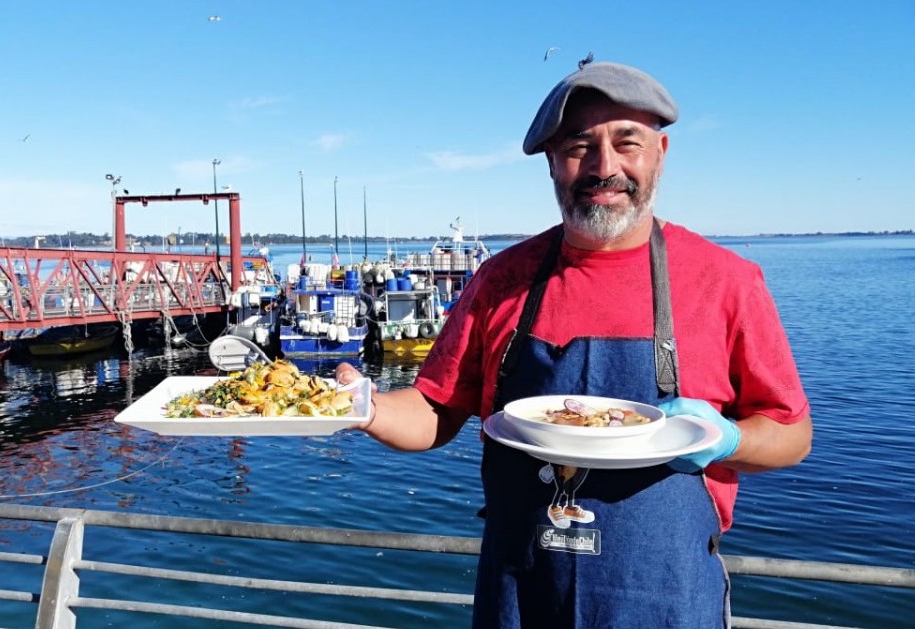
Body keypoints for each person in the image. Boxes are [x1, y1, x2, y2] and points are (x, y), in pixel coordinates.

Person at [336, 61, 812, 628]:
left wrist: (724, 437)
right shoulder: (501, 279)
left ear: (660, 152)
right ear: (551, 165)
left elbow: (791, 435)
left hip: (665, 599)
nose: (604, 167)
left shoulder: (726, 280)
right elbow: (434, 411)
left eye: (626, 143)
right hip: (521, 596)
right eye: (579, 147)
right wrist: (360, 407)